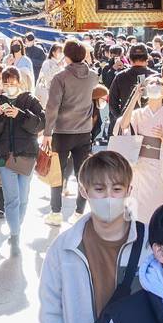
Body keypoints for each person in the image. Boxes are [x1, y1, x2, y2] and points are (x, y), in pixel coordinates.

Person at [39, 151, 146, 323]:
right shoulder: (64, 248)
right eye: (99, 189)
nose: (109, 197)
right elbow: (51, 312)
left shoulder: (150, 244)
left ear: (129, 191)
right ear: (84, 192)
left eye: (117, 189)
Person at [0, 66, 45, 257]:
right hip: (4, 158)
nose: (10, 86)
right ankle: (15, 235)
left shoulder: (30, 100)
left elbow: (40, 125)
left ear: (20, 82)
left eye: (13, 82)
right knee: (13, 199)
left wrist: (20, 114)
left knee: (24, 199)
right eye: (6, 82)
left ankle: (15, 230)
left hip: (26, 156)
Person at [112, 76, 163, 225]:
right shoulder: (138, 114)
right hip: (138, 165)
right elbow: (123, 126)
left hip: (159, 167)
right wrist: (134, 97)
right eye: (151, 83)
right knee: (134, 209)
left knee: (154, 209)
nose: (154, 85)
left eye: (158, 84)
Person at [43, 39, 100, 226]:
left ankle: (56, 212)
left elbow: (52, 107)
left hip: (61, 131)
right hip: (84, 131)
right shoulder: (93, 76)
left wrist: (47, 132)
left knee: (57, 173)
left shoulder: (60, 78)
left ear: (66, 56)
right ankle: (79, 212)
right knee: (82, 173)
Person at [108, 42, 156, 119]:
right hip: (151, 122)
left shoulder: (120, 76)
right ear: (147, 58)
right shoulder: (155, 76)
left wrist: (121, 118)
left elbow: (112, 102)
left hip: (128, 121)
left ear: (129, 58)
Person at [35, 41, 66, 106]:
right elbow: (47, 77)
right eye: (59, 51)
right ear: (53, 53)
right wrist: (57, 66)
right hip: (46, 94)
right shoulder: (47, 63)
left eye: (62, 52)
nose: (61, 54)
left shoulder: (62, 65)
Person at [91, 84, 113, 149]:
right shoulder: (87, 112)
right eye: (104, 100)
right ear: (96, 98)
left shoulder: (97, 112)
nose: (105, 103)